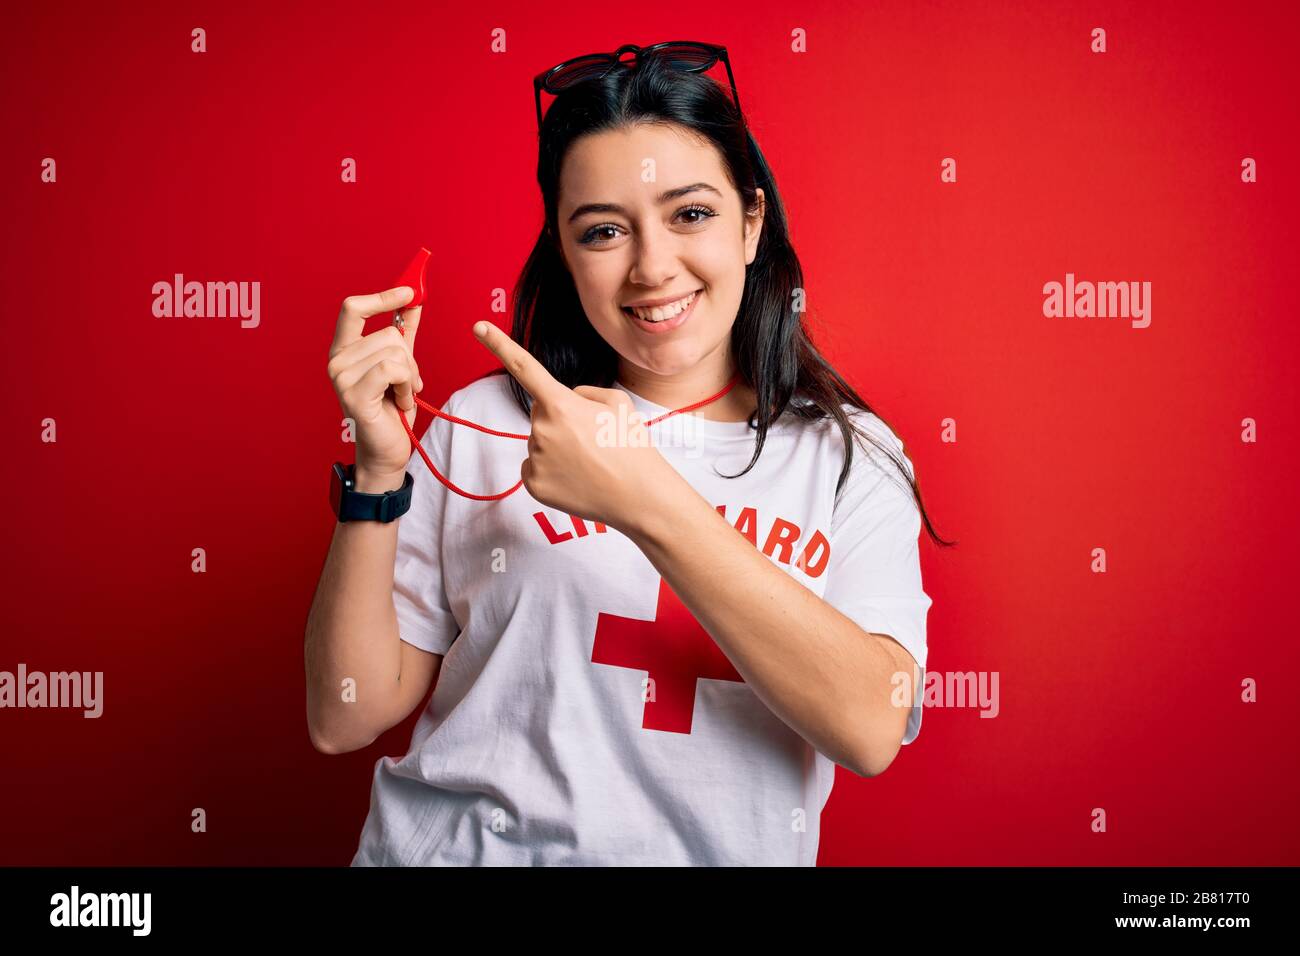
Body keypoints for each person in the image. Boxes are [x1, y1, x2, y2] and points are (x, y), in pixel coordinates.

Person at [305, 42, 953, 866]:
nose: (652, 268)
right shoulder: (482, 425)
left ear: (752, 223)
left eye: (691, 214)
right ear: (566, 255)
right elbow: (343, 716)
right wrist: (379, 476)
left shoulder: (848, 457)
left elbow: (869, 727)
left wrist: (644, 497)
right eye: (604, 230)